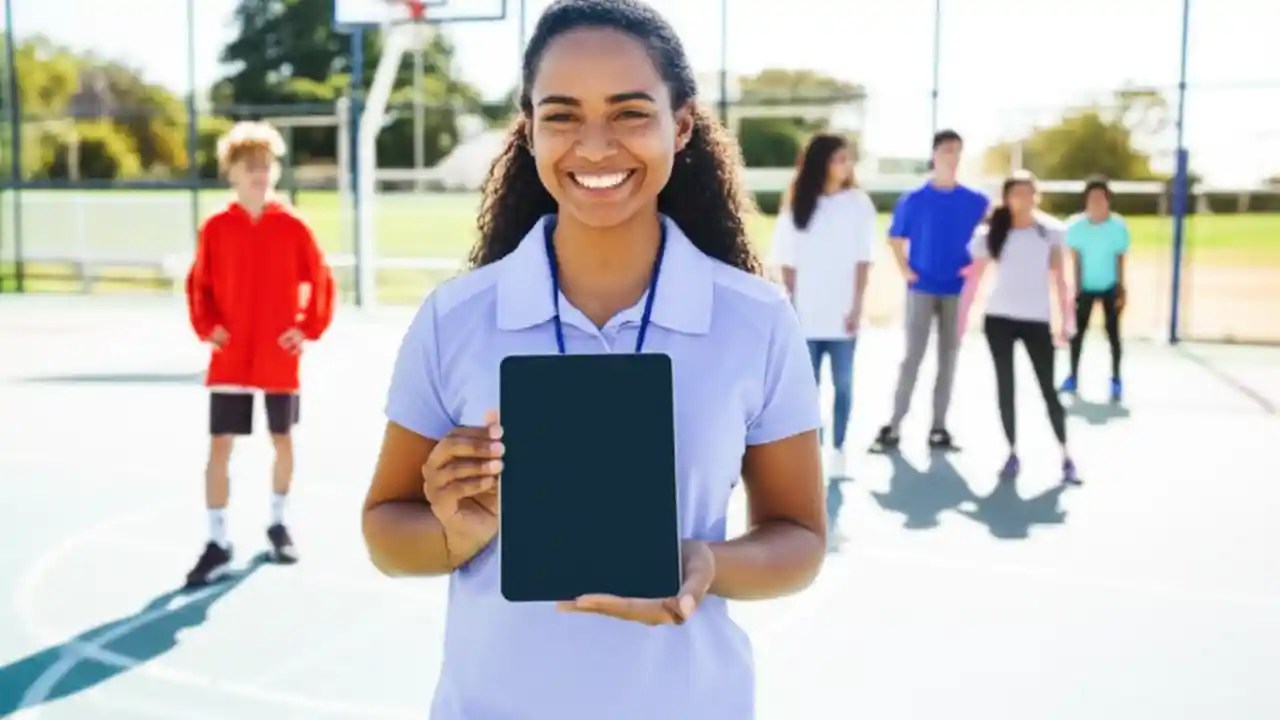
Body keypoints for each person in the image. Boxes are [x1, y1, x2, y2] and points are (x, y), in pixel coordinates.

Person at [361, 1, 827, 718]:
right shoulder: (455, 318)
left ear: (681, 124)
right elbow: (387, 533)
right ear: (529, 130)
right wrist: (458, 529)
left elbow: (798, 538)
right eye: (562, 115)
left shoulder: (756, 320)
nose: (596, 145)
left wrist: (705, 564)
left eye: (630, 112)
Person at [184, 120, 336, 587]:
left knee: (283, 441)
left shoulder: (292, 225)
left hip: (276, 358)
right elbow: (198, 285)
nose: (260, 173)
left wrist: (306, 328)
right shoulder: (216, 227)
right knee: (220, 448)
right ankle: (217, 540)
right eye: (250, 165)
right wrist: (208, 327)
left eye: (266, 165)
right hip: (231, 358)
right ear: (231, 170)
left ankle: (278, 523)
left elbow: (322, 279)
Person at [956, 172, 1079, 485]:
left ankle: (1066, 456)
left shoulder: (1050, 232)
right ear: (1007, 197)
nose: (1023, 199)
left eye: (1029, 193)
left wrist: (1067, 319)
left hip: (1036, 320)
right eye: (1017, 193)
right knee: (1006, 387)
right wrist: (960, 320)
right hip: (999, 321)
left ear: (1036, 196)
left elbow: (1061, 280)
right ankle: (1011, 452)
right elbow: (974, 280)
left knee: (1048, 389)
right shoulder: (991, 234)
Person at [871, 129, 989, 453]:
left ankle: (938, 428)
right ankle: (893, 426)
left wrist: (976, 268)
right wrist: (906, 270)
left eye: (958, 151)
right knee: (913, 357)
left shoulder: (976, 201)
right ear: (935, 154)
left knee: (948, 359)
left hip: (957, 291)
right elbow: (895, 238)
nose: (953, 156)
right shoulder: (913, 199)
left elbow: (993, 236)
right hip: (921, 288)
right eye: (948, 149)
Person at [772, 133, 875, 476]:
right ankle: (812, 451)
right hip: (805, 315)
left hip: (843, 315)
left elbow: (864, 259)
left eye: (848, 159)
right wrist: (793, 306)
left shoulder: (858, 204)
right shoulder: (797, 203)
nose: (846, 166)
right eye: (839, 159)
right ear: (822, 163)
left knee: (844, 383)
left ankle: (840, 447)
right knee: (808, 388)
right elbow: (787, 262)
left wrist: (857, 306)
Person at [1061, 176, 1128, 402]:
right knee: (1077, 335)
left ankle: (1116, 379)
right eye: (1092, 198)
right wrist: (1077, 289)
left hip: (1110, 287)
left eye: (1101, 198)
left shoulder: (1118, 227)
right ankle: (1072, 377)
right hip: (1086, 288)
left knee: (1113, 336)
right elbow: (1076, 259)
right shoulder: (1076, 226)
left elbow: (1120, 258)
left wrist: (1121, 288)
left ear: (1108, 200)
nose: (1096, 202)